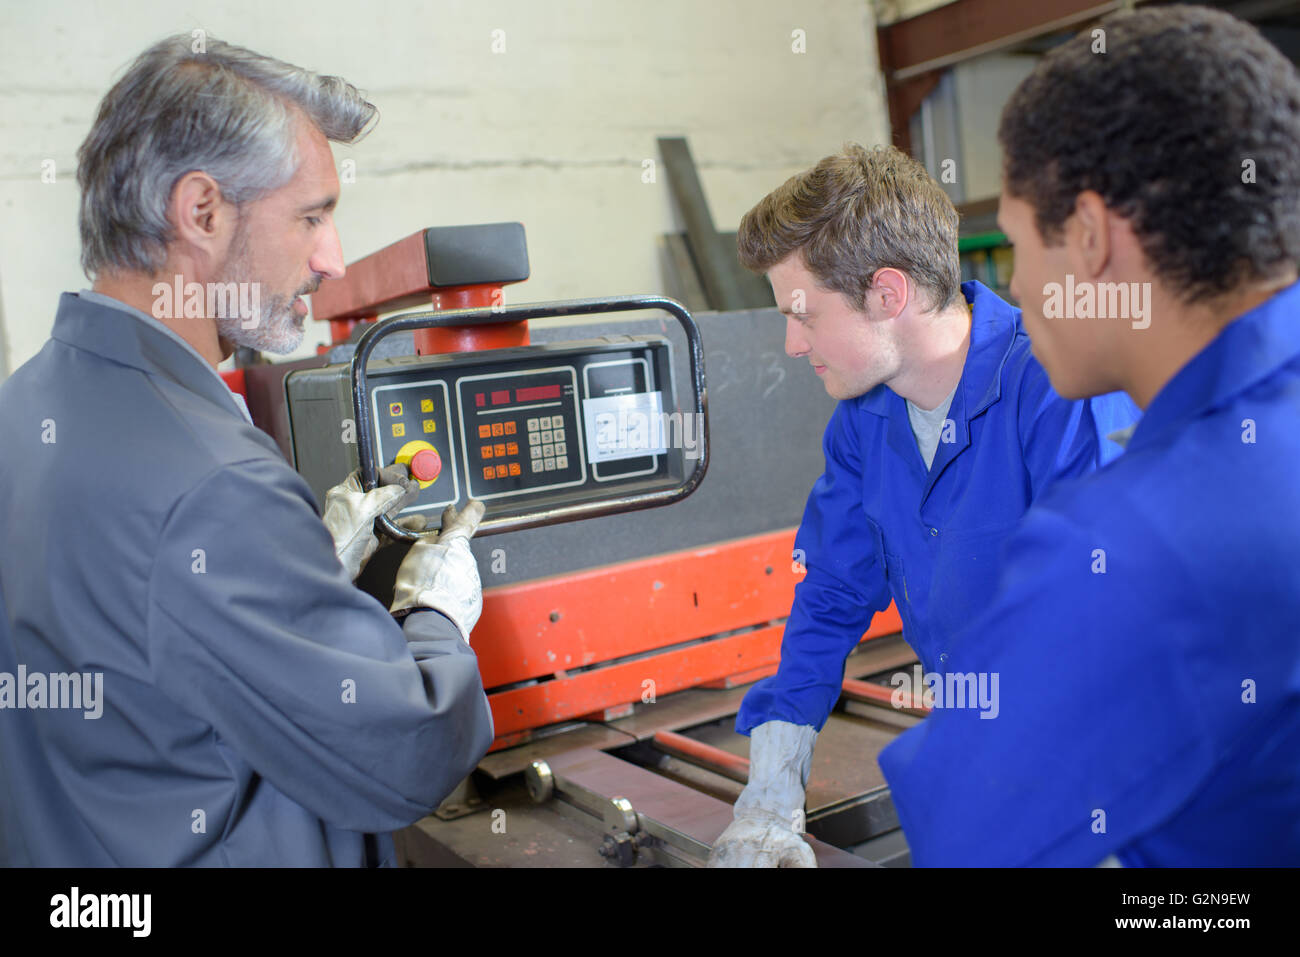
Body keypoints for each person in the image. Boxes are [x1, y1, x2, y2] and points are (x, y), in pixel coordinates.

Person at [0, 35, 493, 866]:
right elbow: (405, 750)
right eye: (312, 215)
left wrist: (300, 578)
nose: (331, 259)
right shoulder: (217, 486)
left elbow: (148, 653)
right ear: (200, 212)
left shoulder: (26, 407)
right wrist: (435, 619)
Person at [878, 5, 1300, 866]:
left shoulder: (1126, 547)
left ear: (1092, 237)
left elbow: (968, 833)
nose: (1016, 285)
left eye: (1019, 239)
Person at [709, 144, 1139, 867]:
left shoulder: (1061, 387)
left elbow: (1104, 621)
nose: (790, 343)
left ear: (887, 294)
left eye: (803, 314)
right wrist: (770, 794)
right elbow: (834, 594)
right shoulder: (863, 421)